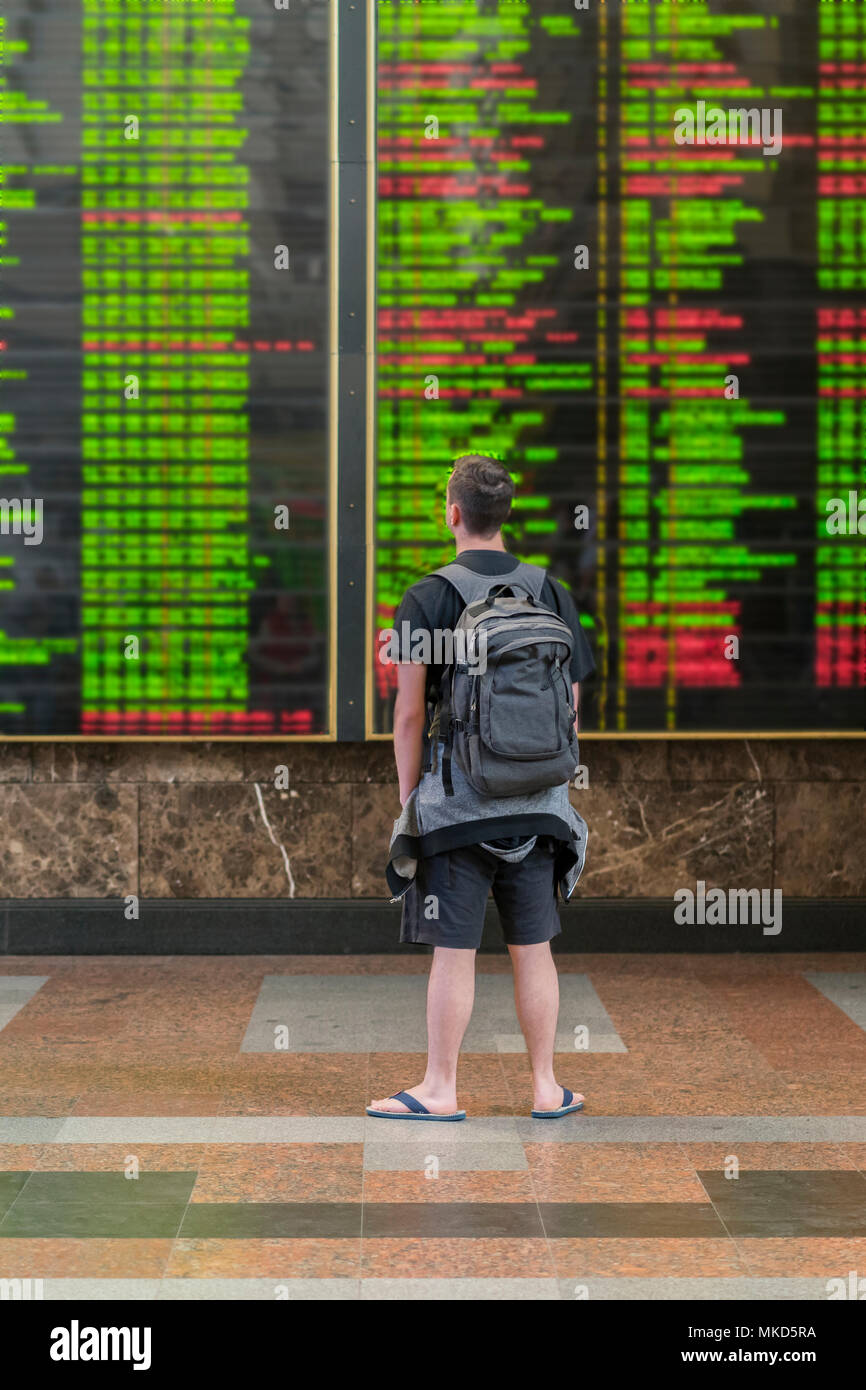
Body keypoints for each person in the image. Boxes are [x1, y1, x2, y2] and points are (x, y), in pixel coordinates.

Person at [368, 454, 595, 1122]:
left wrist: (414, 799)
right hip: (541, 808)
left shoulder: (429, 596)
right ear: (506, 515)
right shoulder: (551, 592)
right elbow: (571, 707)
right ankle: (546, 1087)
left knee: (453, 950)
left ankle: (441, 1088)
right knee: (535, 949)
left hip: (459, 806)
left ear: (454, 513)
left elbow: (409, 715)